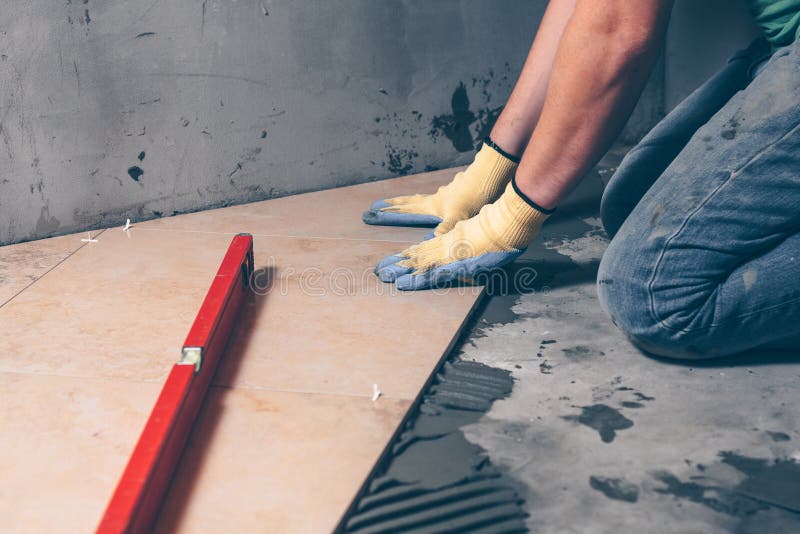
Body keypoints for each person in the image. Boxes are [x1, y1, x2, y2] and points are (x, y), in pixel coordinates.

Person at [362, 0, 800, 359]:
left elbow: (618, 32)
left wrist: (508, 220)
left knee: (655, 296)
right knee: (630, 205)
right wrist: (485, 177)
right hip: (780, 50)